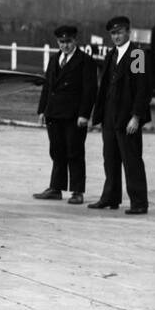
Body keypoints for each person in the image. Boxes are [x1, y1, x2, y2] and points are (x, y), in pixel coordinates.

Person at [88, 15, 151, 214]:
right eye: (113, 33)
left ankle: (139, 203)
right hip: (109, 117)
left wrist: (136, 116)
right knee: (110, 159)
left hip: (128, 119)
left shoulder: (136, 55)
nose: (116, 36)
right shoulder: (110, 55)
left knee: (131, 160)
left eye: (119, 32)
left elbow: (142, 88)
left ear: (128, 32)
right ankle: (110, 198)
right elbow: (104, 87)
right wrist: (97, 116)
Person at [32, 24, 97, 204]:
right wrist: (42, 110)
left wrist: (84, 114)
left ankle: (77, 191)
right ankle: (56, 188)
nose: (65, 45)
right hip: (54, 114)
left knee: (74, 152)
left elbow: (90, 90)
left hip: (74, 116)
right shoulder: (54, 60)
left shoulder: (85, 61)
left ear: (75, 41)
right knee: (57, 151)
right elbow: (47, 87)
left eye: (68, 42)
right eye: (61, 42)